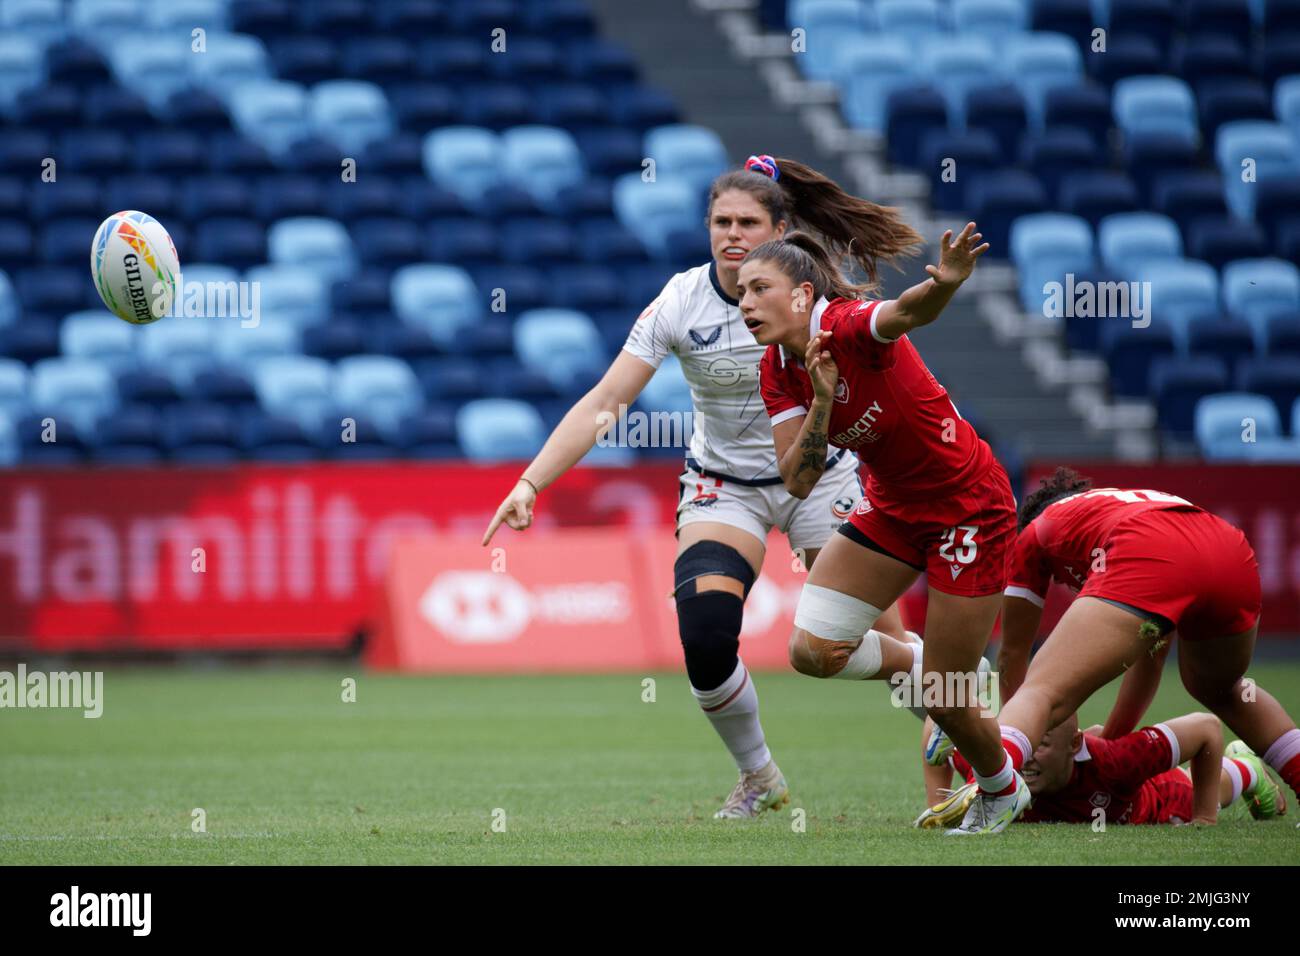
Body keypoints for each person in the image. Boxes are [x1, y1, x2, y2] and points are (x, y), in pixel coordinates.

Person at [482, 156, 916, 818]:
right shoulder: (680, 300)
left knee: (896, 652)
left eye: (748, 222)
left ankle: (983, 750)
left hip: (823, 478)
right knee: (707, 634)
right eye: (721, 221)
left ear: (779, 229)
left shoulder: (817, 302)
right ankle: (760, 776)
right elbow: (607, 401)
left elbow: (887, 385)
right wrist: (531, 481)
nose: (732, 234)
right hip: (726, 488)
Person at [740, 196, 1026, 834]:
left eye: (760, 288)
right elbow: (797, 476)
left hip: (967, 508)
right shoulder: (777, 371)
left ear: (802, 294)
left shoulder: (840, 324)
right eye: (740, 294)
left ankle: (1002, 790)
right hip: (893, 508)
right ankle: (927, 666)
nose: (746, 303)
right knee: (811, 652)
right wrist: (821, 400)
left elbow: (904, 312)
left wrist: (942, 285)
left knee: (947, 701)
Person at [976, 467, 1300, 830]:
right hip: (1231, 552)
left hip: (1146, 547)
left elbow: (1011, 655)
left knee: (1043, 689)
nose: (1064, 582)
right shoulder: (1115, 507)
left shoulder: (1036, 531)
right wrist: (1113, 742)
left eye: (1058, 577)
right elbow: (1151, 655)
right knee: (1219, 689)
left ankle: (995, 794)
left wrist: (1016, 740)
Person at [915, 711, 1286, 827]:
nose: (1023, 757)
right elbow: (936, 719)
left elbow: (1206, 727)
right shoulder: (993, 761)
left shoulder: (1115, 763)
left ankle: (1247, 767)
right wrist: (937, 805)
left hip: (1154, 800)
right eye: (1021, 743)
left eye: (1040, 744)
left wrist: (1205, 821)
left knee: (1203, 788)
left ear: (1074, 745)